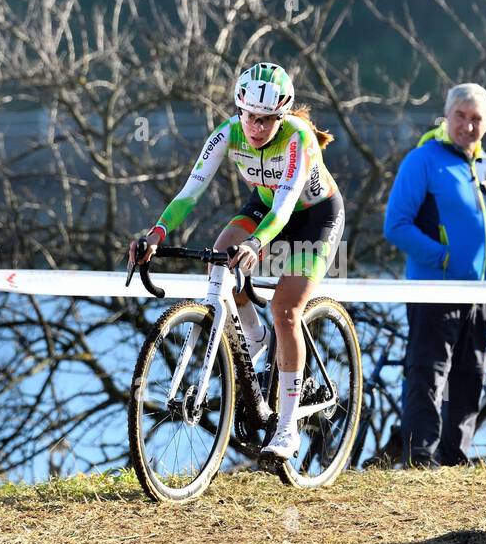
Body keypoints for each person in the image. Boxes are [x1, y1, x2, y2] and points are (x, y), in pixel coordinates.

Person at [129, 62, 344, 461]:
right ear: (239, 110)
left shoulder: (298, 139)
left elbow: (285, 206)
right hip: (265, 206)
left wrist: (258, 243)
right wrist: (156, 234)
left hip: (313, 215)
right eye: (250, 118)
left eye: (267, 120)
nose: (257, 128)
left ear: (281, 117)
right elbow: (190, 192)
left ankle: (286, 428)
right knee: (220, 253)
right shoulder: (226, 134)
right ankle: (252, 334)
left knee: (286, 309)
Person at [384, 83, 486, 468]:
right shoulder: (422, 160)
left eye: (477, 119)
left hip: (481, 291)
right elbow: (396, 225)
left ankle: (455, 456)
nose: (468, 126)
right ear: (447, 116)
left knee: (471, 373)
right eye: (461, 116)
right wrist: (444, 259)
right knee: (428, 371)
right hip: (434, 288)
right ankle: (420, 457)